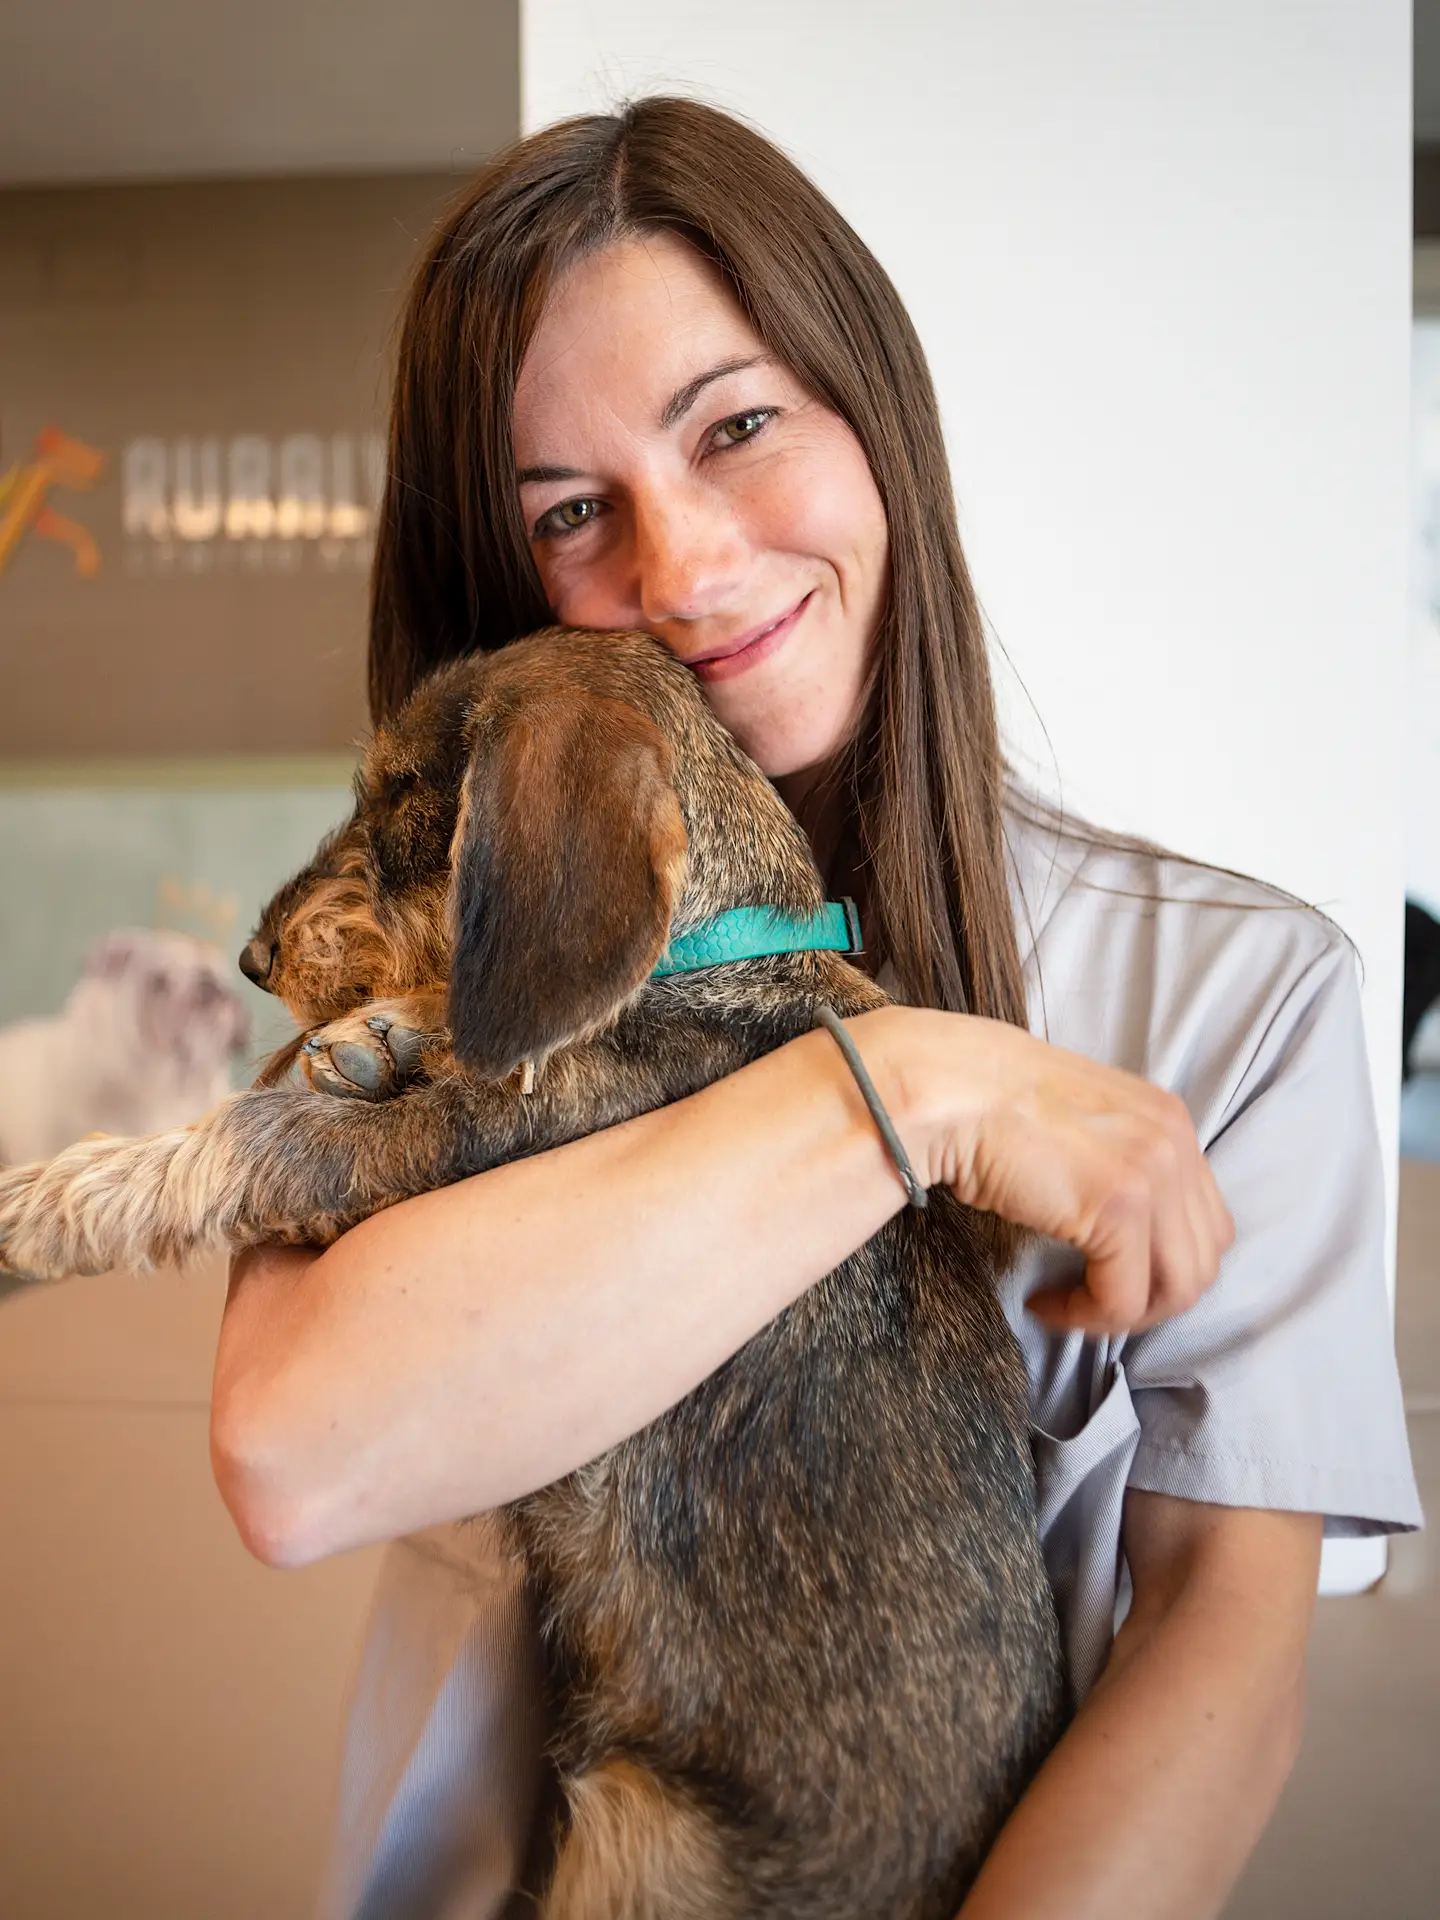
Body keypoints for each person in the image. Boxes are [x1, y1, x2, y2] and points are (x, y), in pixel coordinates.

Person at [210, 99, 1420, 1920]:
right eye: (570, 513)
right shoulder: (462, 974)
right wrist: (904, 1090)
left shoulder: (1240, 1000)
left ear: (880, 419)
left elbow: (1217, 1648)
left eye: (740, 425)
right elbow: (292, 1453)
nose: (682, 570)